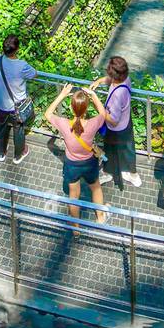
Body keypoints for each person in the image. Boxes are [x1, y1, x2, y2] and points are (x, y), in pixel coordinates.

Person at [44, 82, 111, 227]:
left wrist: (61, 95)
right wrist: (93, 96)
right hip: (89, 163)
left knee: (73, 196)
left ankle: (75, 228)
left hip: (71, 164)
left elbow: (47, 114)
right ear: (86, 109)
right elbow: (103, 114)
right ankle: (100, 217)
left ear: (70, 107)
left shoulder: (63, 123)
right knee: (96, 188)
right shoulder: (93, 123)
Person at [0, 34, 36, 165]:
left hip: (1, 103)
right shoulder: (22, 65)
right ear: (17, 49)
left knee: (1, 126)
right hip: (17, 105)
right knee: (18, 129)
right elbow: (34, 74)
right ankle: (18, 155)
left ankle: (1, 152)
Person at [97, 56, 141, 189]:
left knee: (109, 151)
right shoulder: (126, 79)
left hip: (115, 130)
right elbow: (111, 80)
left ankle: (107, 173)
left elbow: (113, 121)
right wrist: (100, 81)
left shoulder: (117, 95)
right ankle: (133, 175)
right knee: (128, 150)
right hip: (126, 122)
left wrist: (97, 104)